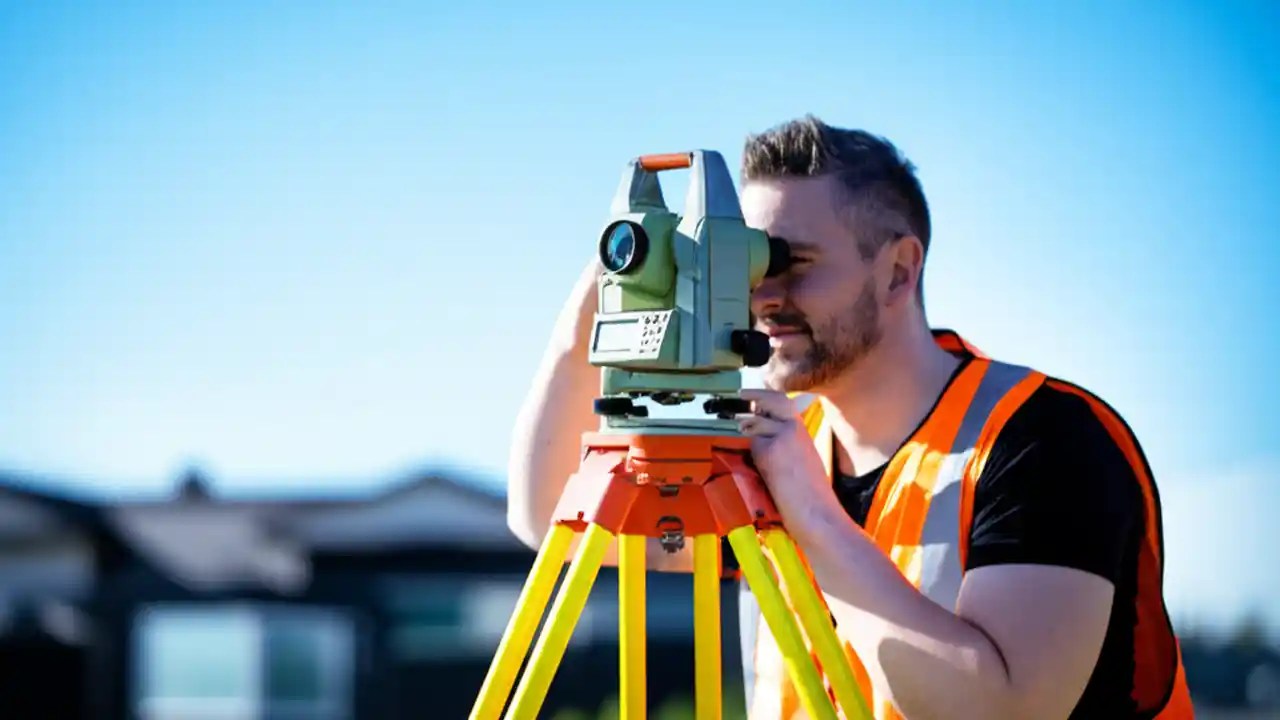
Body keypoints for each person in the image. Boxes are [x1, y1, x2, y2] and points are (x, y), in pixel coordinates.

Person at [506, 115, 1195, 719]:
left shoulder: (1042, 439)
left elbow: (1004, 708)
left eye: (789, 262)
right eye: (745, 264)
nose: (762, 297)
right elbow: (549, 520)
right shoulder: (772, 450)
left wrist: (812, 521)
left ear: (899, 271)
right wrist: (588, 322)